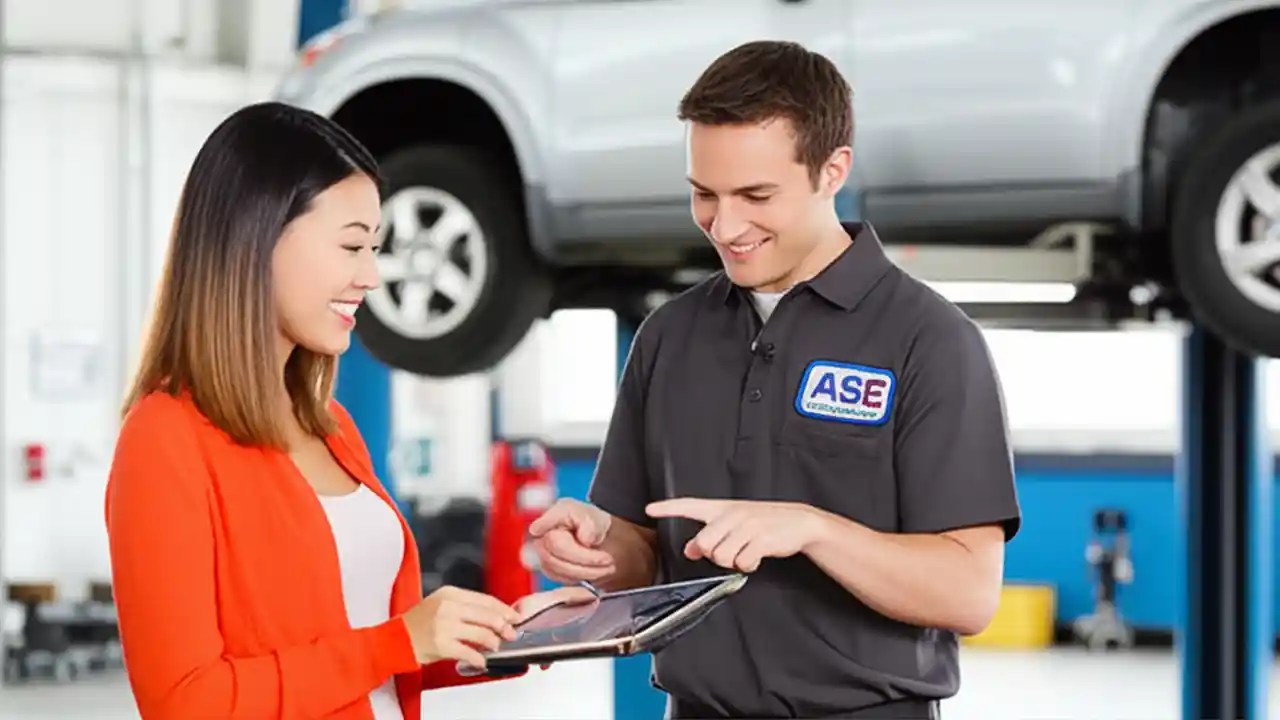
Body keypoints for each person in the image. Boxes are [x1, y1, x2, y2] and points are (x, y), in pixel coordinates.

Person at [529, 41, 1021, 719]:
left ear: (832, 170)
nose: (725, 226)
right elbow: (644, 552)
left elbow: (968, 593)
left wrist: (813, 530)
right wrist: (596, 547)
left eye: (756, 195)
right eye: (704, 194)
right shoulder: (670, 336)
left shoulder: (929, 341)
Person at [104, 101, 587, 720]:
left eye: (375, 248)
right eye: (353, 246)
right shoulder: (165, 437)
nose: (371, 276)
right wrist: (401, 638)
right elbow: (184, 702)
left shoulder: (330, 426)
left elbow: (369, 658)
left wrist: (513, 635)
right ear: (256, 238)